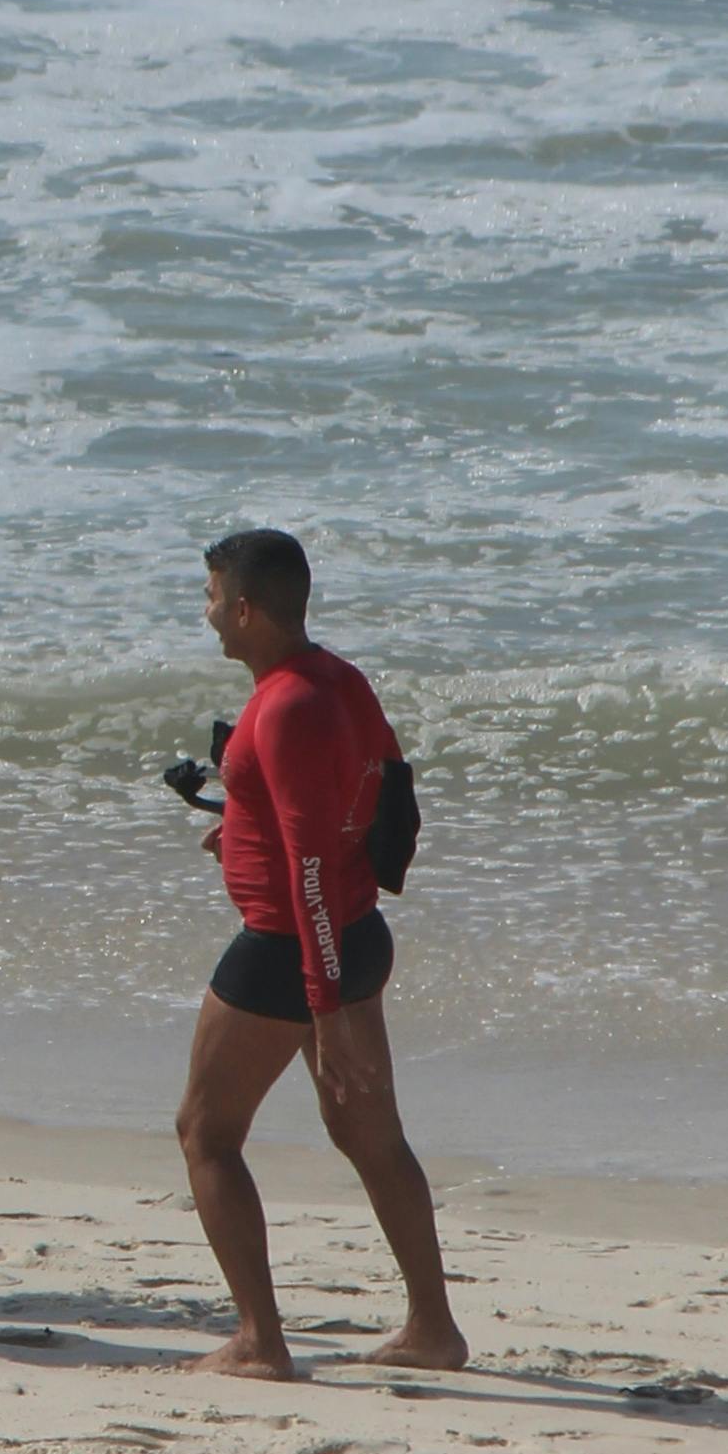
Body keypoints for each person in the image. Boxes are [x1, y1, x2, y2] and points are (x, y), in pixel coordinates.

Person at [169, 525, 464, 1380]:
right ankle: (433, 1330)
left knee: (205, 1133)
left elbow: (305, 872)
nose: (208, 613)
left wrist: (326, 1009)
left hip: (291, 954)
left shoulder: (287, 706)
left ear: (249, 610)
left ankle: (260, 1343)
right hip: (355, 934)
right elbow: (369, 798)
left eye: (214, 597)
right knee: (371, 1136)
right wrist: (239, 826)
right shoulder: (337, 680)